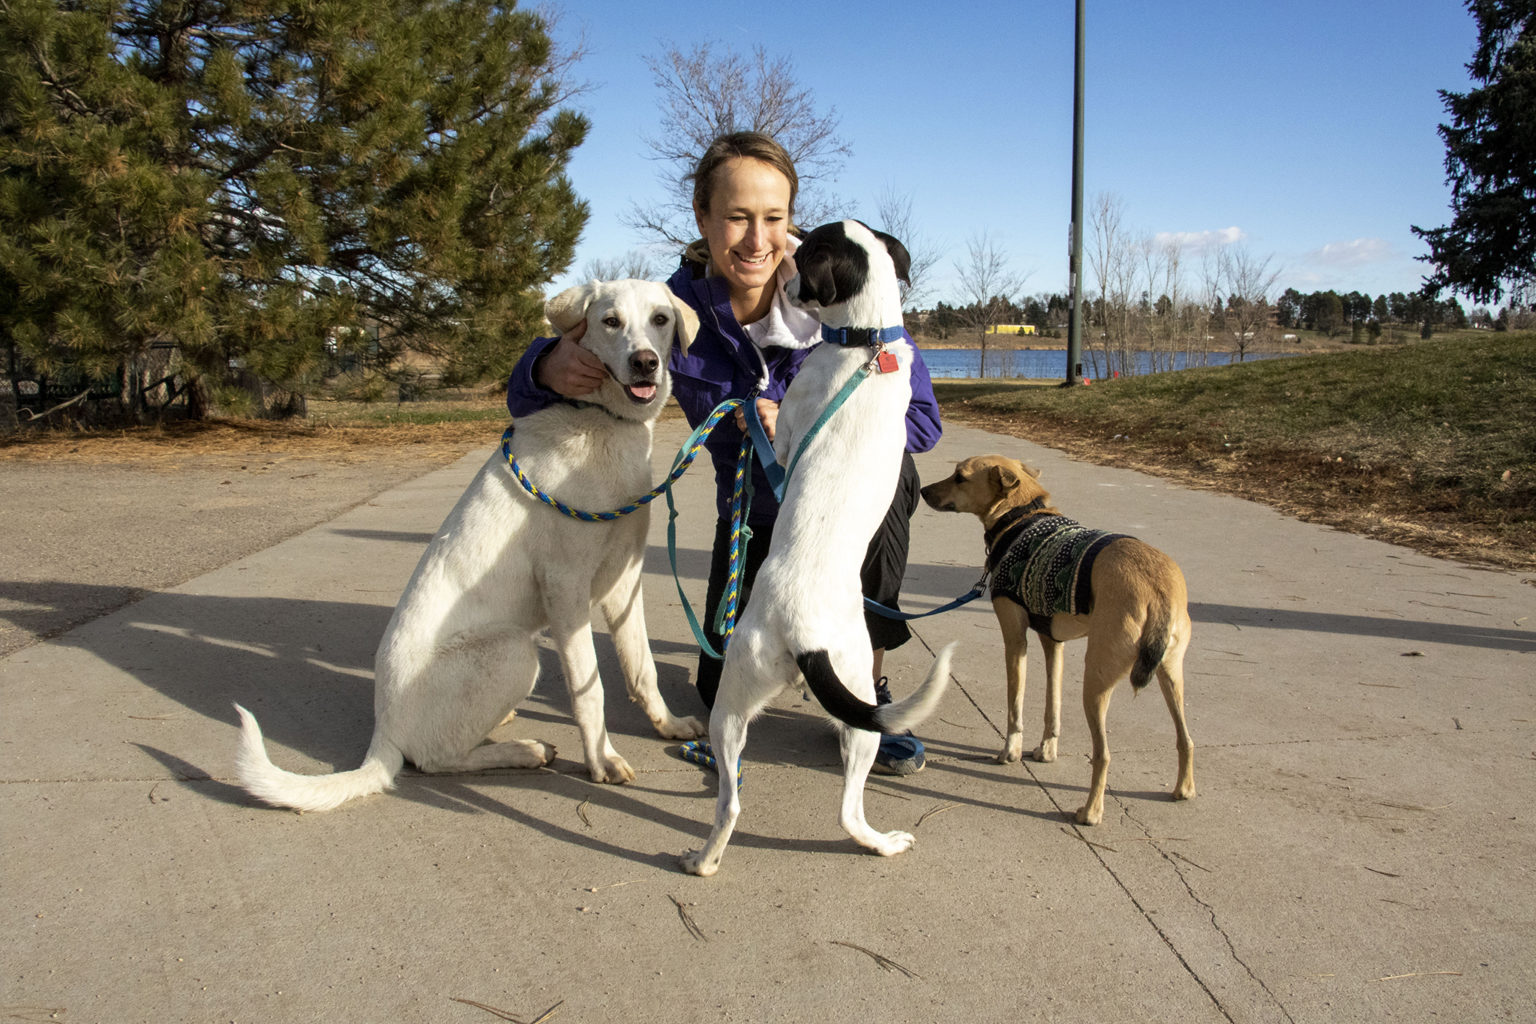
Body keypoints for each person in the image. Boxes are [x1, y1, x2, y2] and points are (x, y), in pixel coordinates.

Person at [506, 131, 942, 775]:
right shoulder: (669, 310)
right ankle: (791, 653)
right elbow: (527, 393)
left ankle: (862, 683)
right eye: (736, 217)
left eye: (774, 218)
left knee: (894, 473)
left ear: (792, 221)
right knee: (720, 692)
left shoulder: (847, 292)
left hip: (840, 528)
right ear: (703, 218)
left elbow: (924, 423)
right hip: (751, 523)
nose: (757, 239)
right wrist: (546, 365)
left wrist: (819, 426)